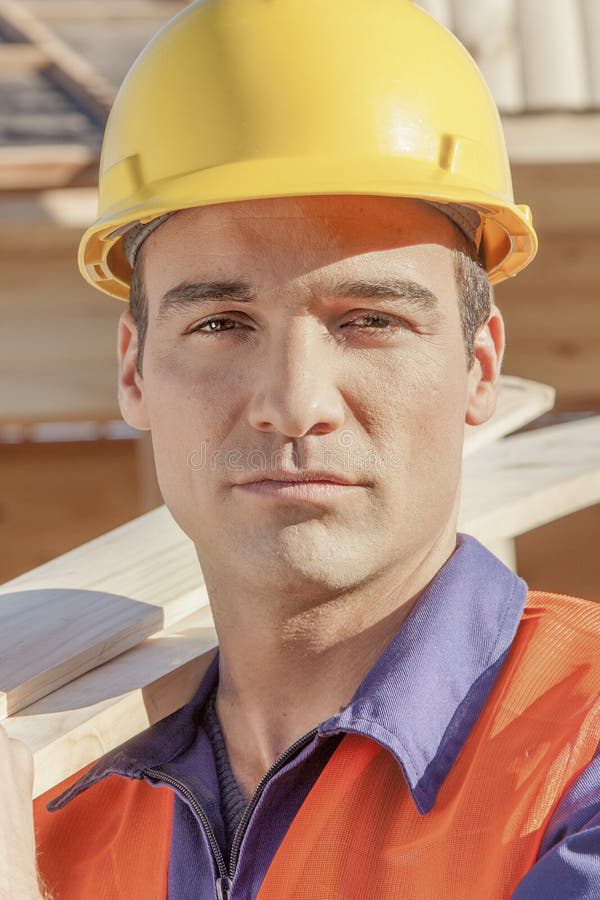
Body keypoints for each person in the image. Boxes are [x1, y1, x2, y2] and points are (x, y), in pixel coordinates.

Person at [2, 1, 599, 898]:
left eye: (371, 320)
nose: (294, 404)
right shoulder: (56, 822)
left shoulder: (579, 750)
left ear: (479, 369)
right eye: (220, 323)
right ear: (134, 374)